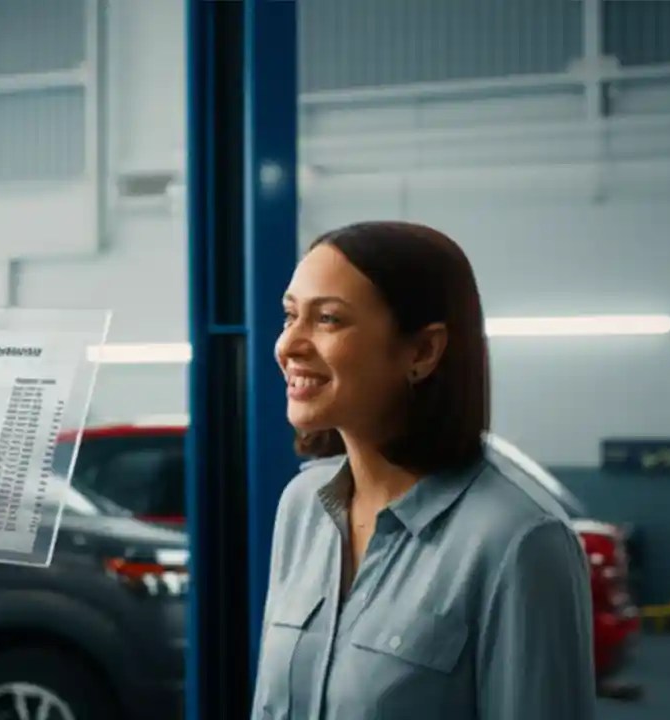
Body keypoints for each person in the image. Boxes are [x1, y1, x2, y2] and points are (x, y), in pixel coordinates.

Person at [251, 221, 595, 719]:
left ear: (422, 351)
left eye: (327, 319)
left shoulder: (517, 540)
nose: (289, 345)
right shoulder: (304, 506)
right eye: (289, 317)